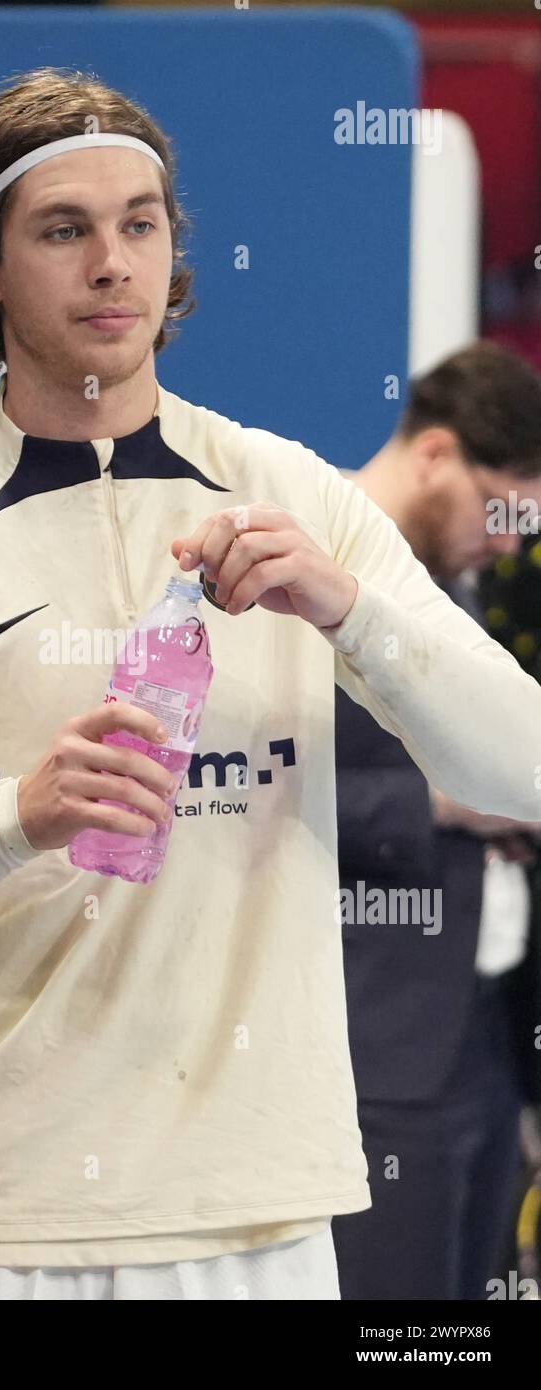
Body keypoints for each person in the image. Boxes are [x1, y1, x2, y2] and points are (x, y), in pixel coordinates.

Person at [0, 69, 541, 1301]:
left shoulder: (294, 497)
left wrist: (348, 609)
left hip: (261, 1221)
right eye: (65, 229)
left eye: (141, 222)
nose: (114, 262)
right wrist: (15, 816)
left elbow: (522, 771)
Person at [331, 342, 541, 1300]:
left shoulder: (457, 587)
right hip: (373, 1047)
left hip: (487, 1039)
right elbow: (235, 793)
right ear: (435, 456)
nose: (507, 543)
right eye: (499, 512)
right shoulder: (306, 575)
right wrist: (441, 803)